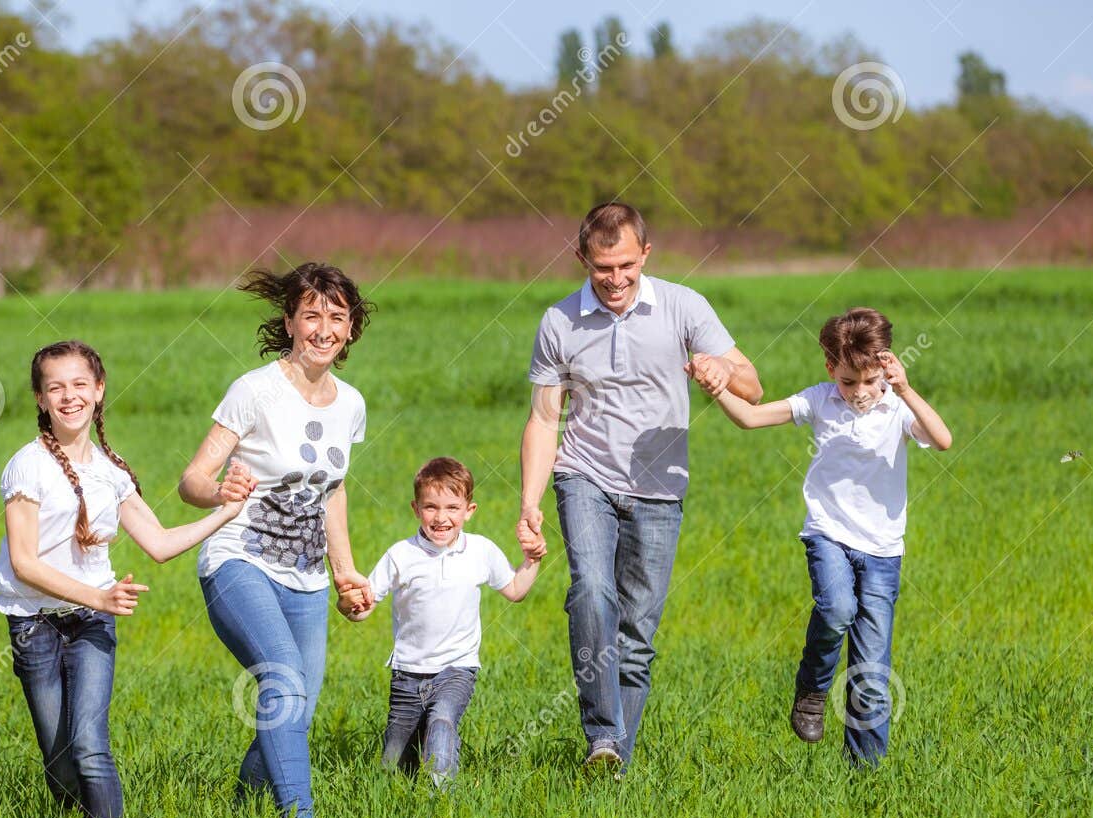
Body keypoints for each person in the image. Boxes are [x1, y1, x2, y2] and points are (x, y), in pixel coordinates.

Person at [517, 201, 761, 777]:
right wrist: (529, 502)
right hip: (585, 475)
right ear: (582, 259)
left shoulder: (683, 307)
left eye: (627, 265)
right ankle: (602, 733)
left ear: (645, 255)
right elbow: (545, 420)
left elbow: (751, 385)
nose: (616, 280)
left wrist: (722, 373)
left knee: (636, 637)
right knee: (592, 589)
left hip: (660, 488)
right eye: (603, 268)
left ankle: (611, 763)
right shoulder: (559, 322)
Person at [0, 339, 248, 818]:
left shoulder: (112, 472)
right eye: (56, 388)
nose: (70, 397)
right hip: (34, 625)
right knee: (61, 764)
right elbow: (24, 563)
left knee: (90, 745)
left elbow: (158, 542)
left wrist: (225, 511)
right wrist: (99, 597)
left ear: (99, 390)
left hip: (91, 624)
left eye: (80, 385)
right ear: (41, 399)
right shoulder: (27, 466)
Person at [695, 306, 952, 766]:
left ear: (886, 368)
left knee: (872, 671)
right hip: (828, 535)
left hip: (883, 551)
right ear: (830, 368)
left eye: (870, 382)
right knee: (835, 609)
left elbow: (943, 439)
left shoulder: (896, 407)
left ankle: (864, 775)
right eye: (848, 382)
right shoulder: (819, 400)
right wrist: (717, 390)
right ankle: (812, 689)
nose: (859, 393)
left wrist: (906, 389)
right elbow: (752, 418)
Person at [179, 262, 375, 818]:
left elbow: (332, 492)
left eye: (336, 317)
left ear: (350, 328)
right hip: (239, 558)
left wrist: (344, 574)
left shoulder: (351, 405)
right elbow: (191, 478)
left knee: (296, 710)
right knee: (284, 683)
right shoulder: (255, 391)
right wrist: (218, 491)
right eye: (311, 315)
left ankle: (242, 817)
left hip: (308, 576)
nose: (324, 328)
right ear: (288, 322)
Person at [342, 457, 540, 788]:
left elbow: (516, 590)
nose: (441, 517)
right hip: (407, 672)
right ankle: (402, 802)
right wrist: (348, 604)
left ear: (469, 510)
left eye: (452, 507)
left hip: (457, 668)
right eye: (431, 507)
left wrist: (532, 560)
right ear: (416, 509)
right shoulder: (400, 555)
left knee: (442, 721)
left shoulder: (481, 551)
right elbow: (363, 607)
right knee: (394, 764)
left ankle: (442, 797)